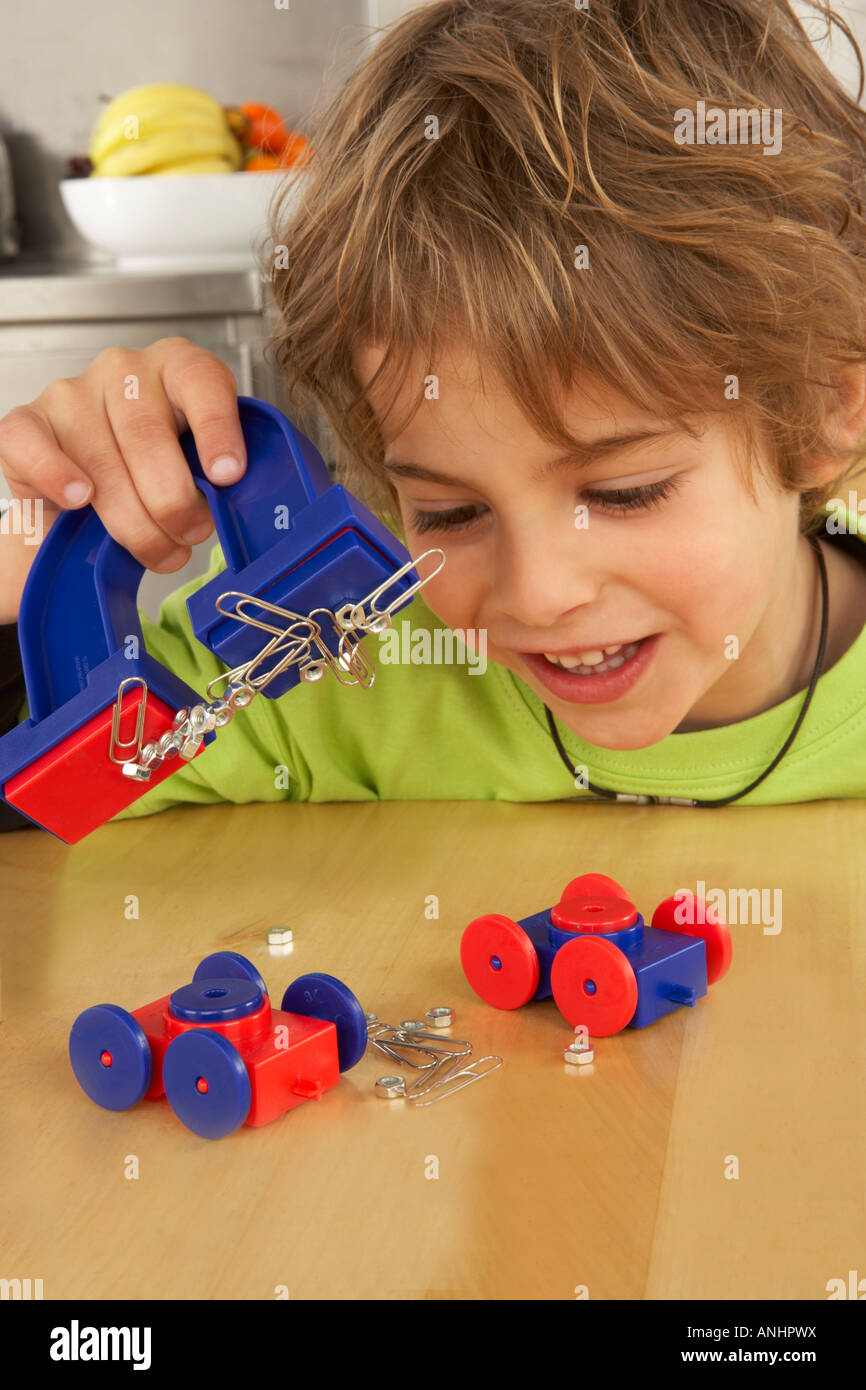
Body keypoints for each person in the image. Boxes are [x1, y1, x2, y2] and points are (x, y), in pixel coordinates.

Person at [2, 0, 866, 836]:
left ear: (834, 406)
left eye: (626, 492)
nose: (540, 594)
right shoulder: (330, 665)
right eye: (450, 512)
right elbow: (45, 797)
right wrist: (19, 570)